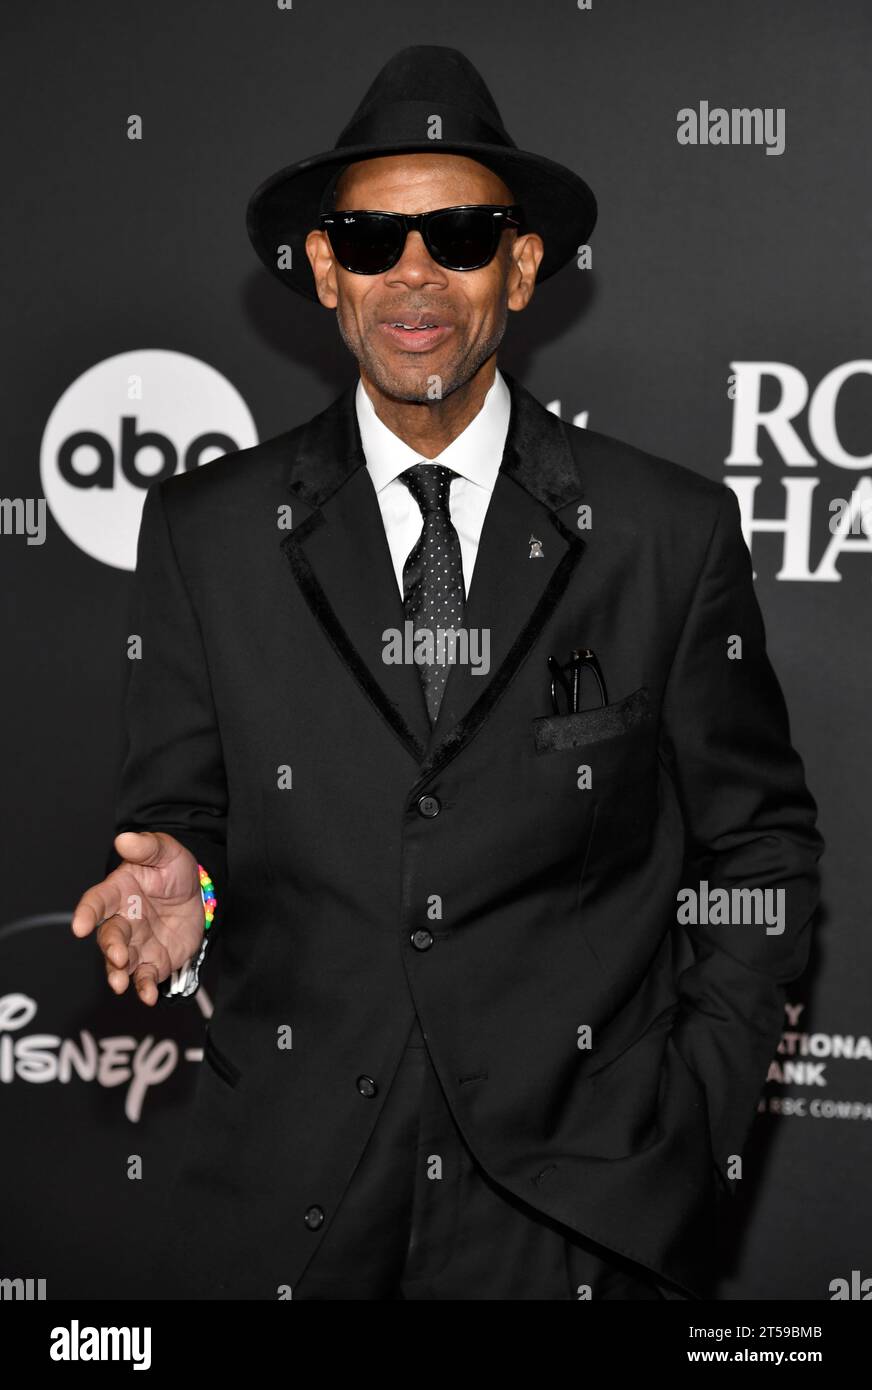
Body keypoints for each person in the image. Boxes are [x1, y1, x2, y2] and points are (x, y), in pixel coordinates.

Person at [71, 45, 823, 1300]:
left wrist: (685, 1123)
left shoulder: (663, 533)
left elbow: (759, 849)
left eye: (460, 235)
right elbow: (187, 832)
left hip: (575, 1205)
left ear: (520, 267)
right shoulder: (207, 528)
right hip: (283, 1203)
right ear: (323, 270)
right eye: (370, 241)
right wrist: (181, 900)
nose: (412, 276)